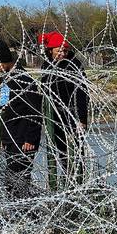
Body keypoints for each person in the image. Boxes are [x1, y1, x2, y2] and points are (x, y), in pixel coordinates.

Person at [38, 31, 89, 185]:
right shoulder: (46, 65)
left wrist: (82, 119)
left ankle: (76, 184)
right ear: (50, 50)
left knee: (76, 154)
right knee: (59, 152)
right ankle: (63, 184)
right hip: (53, 116)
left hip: (72, 115)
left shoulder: (74, 65)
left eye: (65, 50)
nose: (62, 53)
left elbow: (82, 93)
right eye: (59, 50)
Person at [0, 39, 43, 196]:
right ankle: (17, 212)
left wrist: (31, 139)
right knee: (11, 181)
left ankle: (23, 213)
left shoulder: (24, 80)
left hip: (23, 140)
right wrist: (2, 136)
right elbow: (4, 107)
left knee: (19, 180)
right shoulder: (5, 80)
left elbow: (35, 111)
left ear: (5, 60)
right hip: (10, 137)